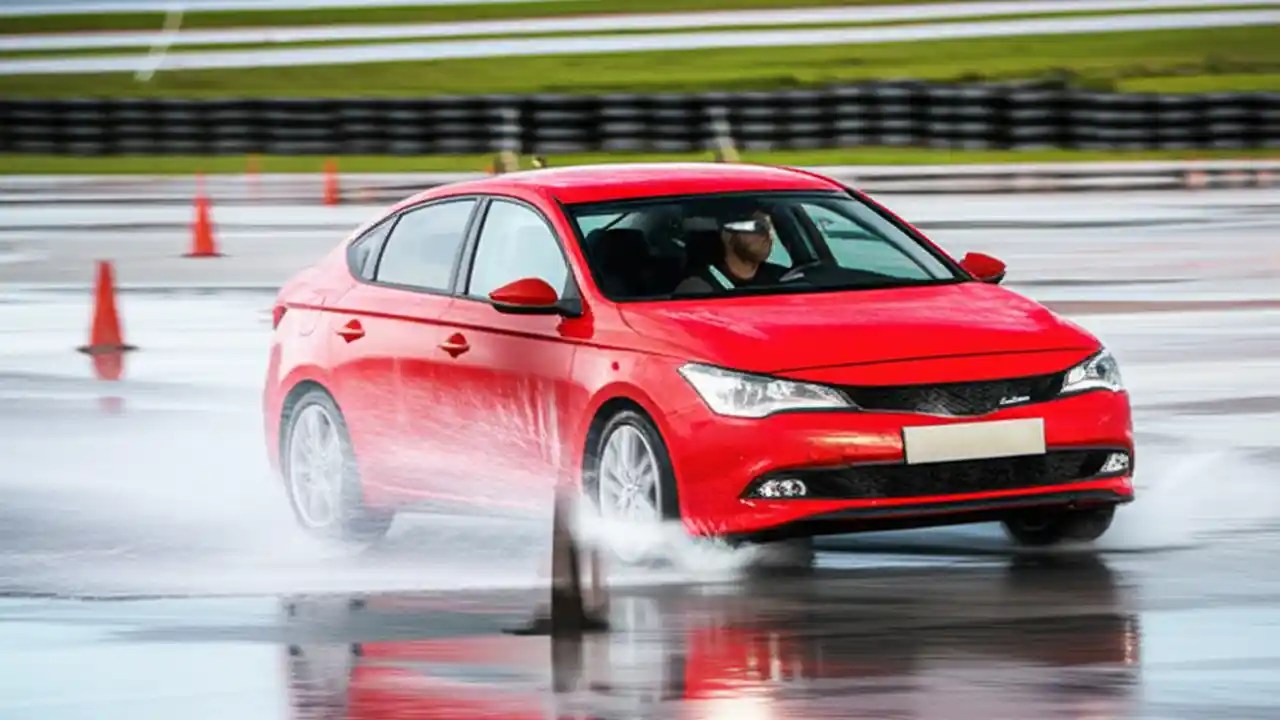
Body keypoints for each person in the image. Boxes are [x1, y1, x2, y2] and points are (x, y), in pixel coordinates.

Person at [673, 207, 788, 295]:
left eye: (767, 226)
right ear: (726, 235)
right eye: (755, 226)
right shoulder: (698, 289)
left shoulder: (785, 280)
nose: (766, 233)